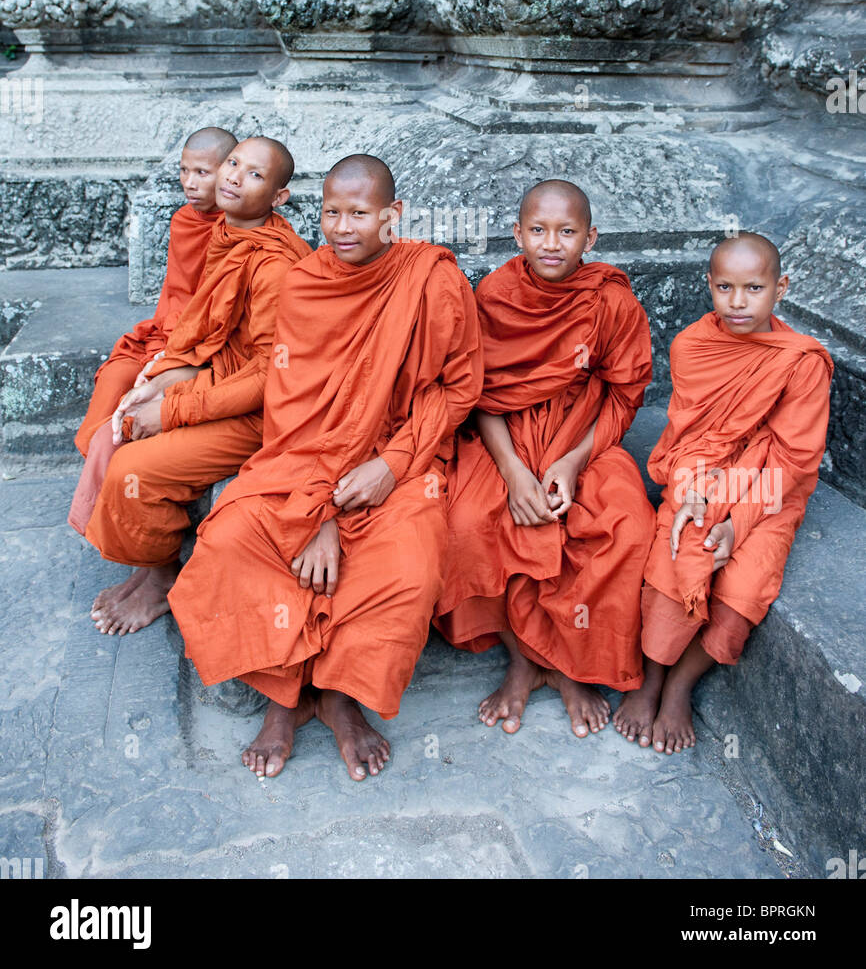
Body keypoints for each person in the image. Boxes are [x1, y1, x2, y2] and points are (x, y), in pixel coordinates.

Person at [168, 154, 484, 782]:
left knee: (410, 564)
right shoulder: (307, 284)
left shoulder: (432, 277)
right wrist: (322, 514)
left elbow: (458, 387)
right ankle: (282, 697)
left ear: (393, 216)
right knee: (230, 542)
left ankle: (338, 697)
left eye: (360, 214)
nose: (343, 227)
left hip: (404, 454)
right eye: (330, 213)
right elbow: (293, 412)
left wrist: (391, 466)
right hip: (303, 464)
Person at [434, 180, 656, 738]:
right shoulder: (495, 294)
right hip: (503, 435)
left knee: (625, 524)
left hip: (584, 435)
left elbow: (625, 394)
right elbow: (477, 393)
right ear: (517, 233)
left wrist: (574, 463)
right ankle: (527, 658)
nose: (551, 243)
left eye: (567, 231)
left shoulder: (612, 301)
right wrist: (511, 472)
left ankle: (569, 663)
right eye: (537, 230)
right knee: (466, 522)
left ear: (591, 237)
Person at [613, 232, 833, 754]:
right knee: (678, 551)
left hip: (770, 488)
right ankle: (650, 679)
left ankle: (681, 687)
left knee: (745, 584)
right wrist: (691, 494)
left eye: (754, 288)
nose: (738, 302)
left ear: (781, 289)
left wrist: (738, 524)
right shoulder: (693, 345)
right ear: (708, 286)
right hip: (703, 474)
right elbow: (693, 437)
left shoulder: (801, 360)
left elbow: (794, 459)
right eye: (726, 288)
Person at [85, 137, 310, 636]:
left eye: (254, 174)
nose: (232, 177)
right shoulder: (230, 232)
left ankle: (163, 575)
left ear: (279, 197)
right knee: (122, 413)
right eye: (233, 164)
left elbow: (271, 375)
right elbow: (214, 332)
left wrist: (171, 410)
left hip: (265, 412)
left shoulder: (274, 264)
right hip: (224, 374)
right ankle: (148, 562)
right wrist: (165, 375)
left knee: (132, 468)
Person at [74, 126, 237, 457]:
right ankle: (100, 459)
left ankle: (120, 462)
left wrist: (179, 349)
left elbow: (223, 309)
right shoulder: (183, 221)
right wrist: (166, 341)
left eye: (202, 173)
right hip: (170, 330)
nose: (189, 182)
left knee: (151, 382)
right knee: (117, 375)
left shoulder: (239, 229)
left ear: (229, 174)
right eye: (184, 170)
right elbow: (176, 294)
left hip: (208, 345)